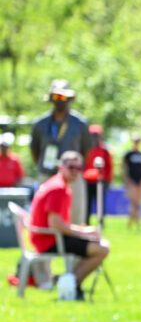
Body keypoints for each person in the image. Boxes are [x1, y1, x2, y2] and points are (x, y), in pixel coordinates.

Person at [29, 151, 111, 301]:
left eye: (79, 168)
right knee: (102, 249)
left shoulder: (59, 184)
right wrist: (83, 233)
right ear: (61, 166)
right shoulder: (58, 189)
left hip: (48, 237)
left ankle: (68, 282)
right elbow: (55, 224)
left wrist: (82, 230)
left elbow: (58, 223)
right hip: (50, 240)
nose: (75, 171)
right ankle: (71, 284)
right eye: (71, 167)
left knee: (98, 244)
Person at [30, 80, 90, 224]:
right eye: (57, 96)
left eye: (63, 97)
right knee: (43, 218)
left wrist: (71, 169)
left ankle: (73, 239)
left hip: (73, 176)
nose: (60, 101)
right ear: (51, 98)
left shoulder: (80, 123)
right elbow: (35, 150)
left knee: (75, 217)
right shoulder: (40, 124)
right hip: (47, 175)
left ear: (69, 99)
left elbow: (86, 150)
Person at [84, 125, 113, 226]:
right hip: (86, 181)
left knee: (100, 204)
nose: (94, 138)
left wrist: (108, 181)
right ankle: (86, 223)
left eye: (96, 135)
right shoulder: (85, 149)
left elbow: (109, 167)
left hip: (99, 181)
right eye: (92, 135)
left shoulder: (104, 150)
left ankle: (101, 223)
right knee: (86, 204)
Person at [123, 134, 141, 231]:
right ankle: (135, 222)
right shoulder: (128, 155)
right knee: (134, 202)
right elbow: (124, 168)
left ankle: (133, 222)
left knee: (138, 202)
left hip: (140, 180)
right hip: (131, 180)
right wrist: (127, 181)